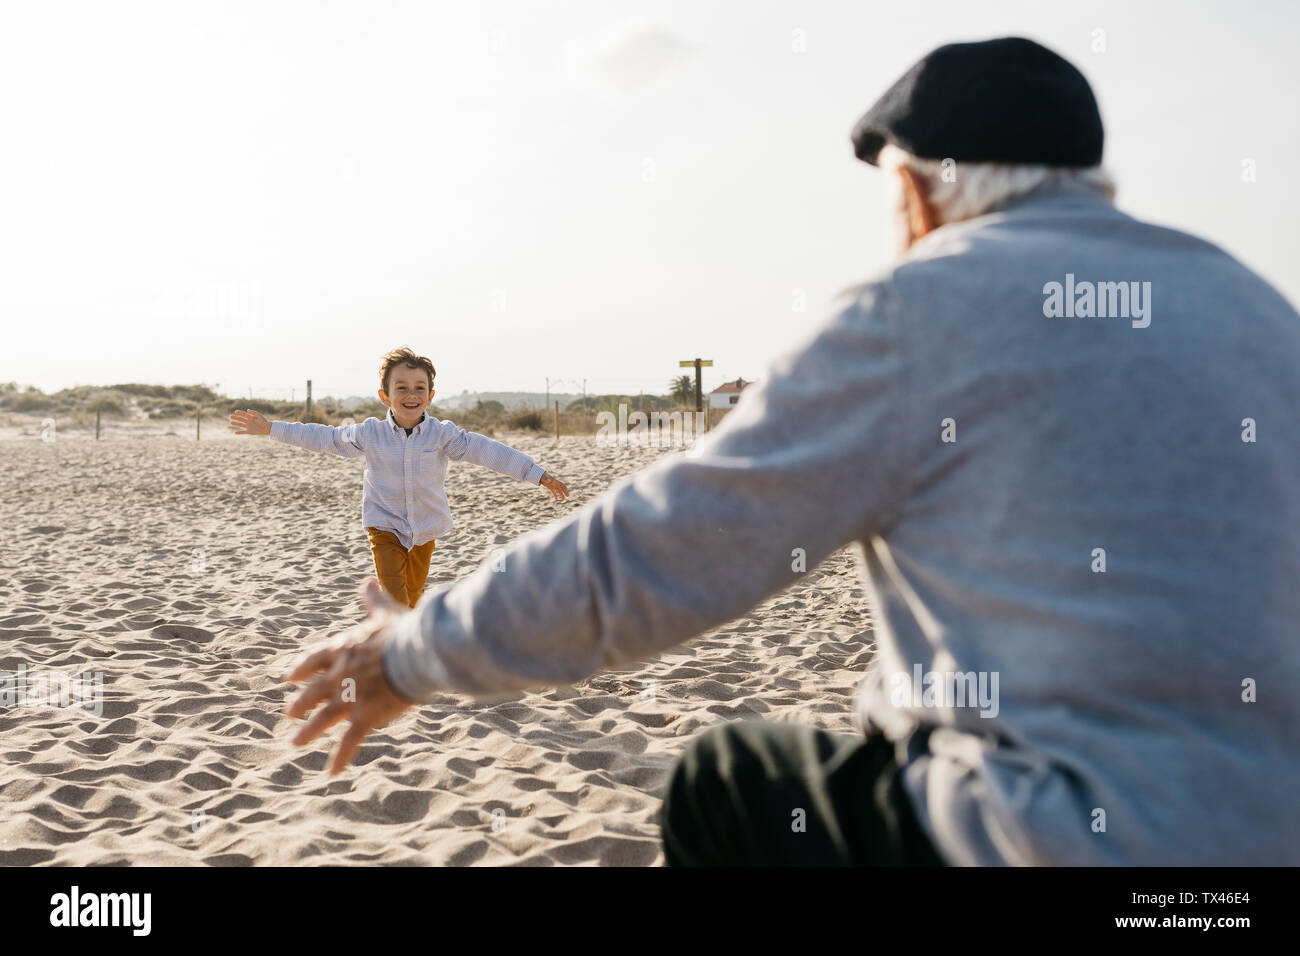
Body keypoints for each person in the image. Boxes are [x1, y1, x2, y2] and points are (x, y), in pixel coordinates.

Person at [282, 38, 1300, 865]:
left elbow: (667, 549)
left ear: (920, 195)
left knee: (732, 779)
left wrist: (416, 652)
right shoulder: (1254, 306)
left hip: (1068, 842)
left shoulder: (927, 305)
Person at [229, 347, 570, 609]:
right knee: (395, 601)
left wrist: (537, 474)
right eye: (401, 387)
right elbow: (325, 437)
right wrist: (271, 428)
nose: (411, 394)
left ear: (430, 396)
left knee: (412, 598)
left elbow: (488, 451)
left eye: (419, 387)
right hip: (385, 527)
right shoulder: (370, 433)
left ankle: (406, 648)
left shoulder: (443, 435)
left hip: (425, 530)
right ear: (385, 396)